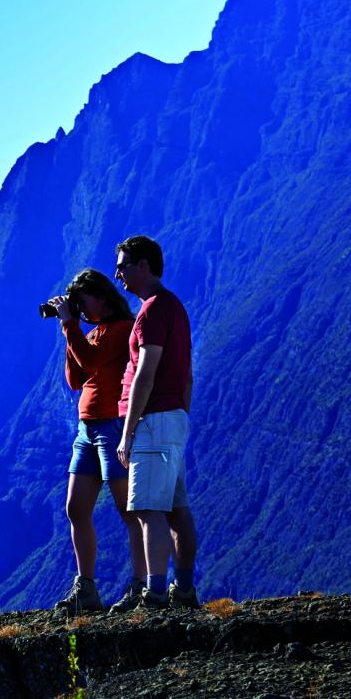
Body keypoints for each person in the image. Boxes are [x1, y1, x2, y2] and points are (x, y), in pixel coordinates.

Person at [45, 269, 144, 613]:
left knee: (127, 509)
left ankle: (141, 585)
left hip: (112, 426)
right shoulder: (95, 332)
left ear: (101, 296)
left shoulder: (121, 330)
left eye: (82, 300)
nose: (80, 308)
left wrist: (70, 326)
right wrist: (69, 330)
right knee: (76, 508)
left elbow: (87, 360)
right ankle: (85, 587)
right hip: (86, 429)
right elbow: (76, 378)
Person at [110, 235, 198, 611]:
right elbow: (188, 373)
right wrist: (182, 415)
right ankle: (184, 590)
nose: (118, 275)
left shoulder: (150, 311)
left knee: (147, 510)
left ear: (143, 265)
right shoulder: (175, 307)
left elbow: (146, 371)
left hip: (152, 421)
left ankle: (156, 593)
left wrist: (128, 431)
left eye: (123, 266)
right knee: (177, 511)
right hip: (173, 418)